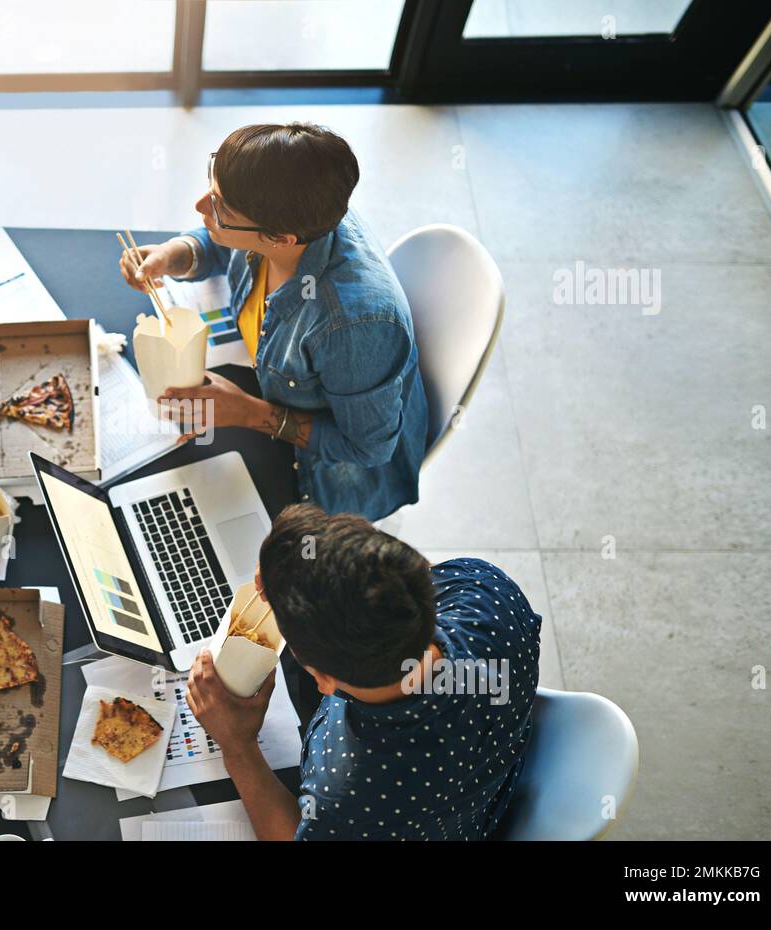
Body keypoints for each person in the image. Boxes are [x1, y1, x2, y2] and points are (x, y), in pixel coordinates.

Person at [120, 124, 428, 521]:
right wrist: (174, 253)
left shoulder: (353, 326)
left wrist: (247, 413)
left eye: (221, 207)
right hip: (269, 387)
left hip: (321, 474)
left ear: (281, 239)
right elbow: (223, 238)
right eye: (212, 190)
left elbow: (368, 449)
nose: (200, 207)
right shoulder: (299, 207)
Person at [185, 504, 541, 840]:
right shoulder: (486, 590)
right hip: (486, 772)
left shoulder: (343, 793)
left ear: (323, 680)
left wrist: (238, 746)